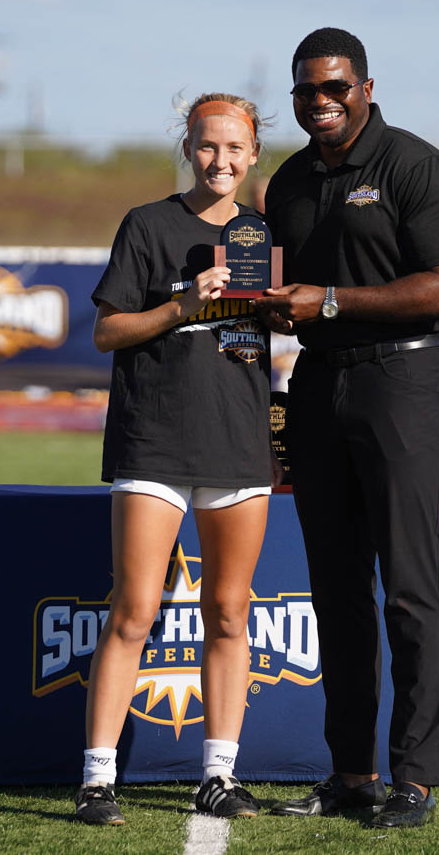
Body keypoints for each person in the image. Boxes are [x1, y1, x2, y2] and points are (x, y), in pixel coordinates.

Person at [254, 27, 439, 829]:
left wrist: (334, 300)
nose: (322, 101)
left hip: (404, 377)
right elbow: (276, 289)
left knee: (410, 588)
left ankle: (414, 780)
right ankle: (351, 774)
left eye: (335, 87)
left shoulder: (416, 167)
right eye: (307, 90)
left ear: (366, 88)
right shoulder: (289, 183)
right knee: (335, 592)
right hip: (316, 380)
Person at [77, 93, 277, 826]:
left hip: (237, 443)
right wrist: (181, 306)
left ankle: (217, 775)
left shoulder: (265, 232)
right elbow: (107, 333)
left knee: (230, 612)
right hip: (155, 441)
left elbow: (274, 332)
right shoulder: (147, 225)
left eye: (234, 149)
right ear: (187, 147)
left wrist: (285, 308)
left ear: (254, 155)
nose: (220, 160)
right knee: (133, 610)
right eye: (206, 145)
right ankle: (98, 780)